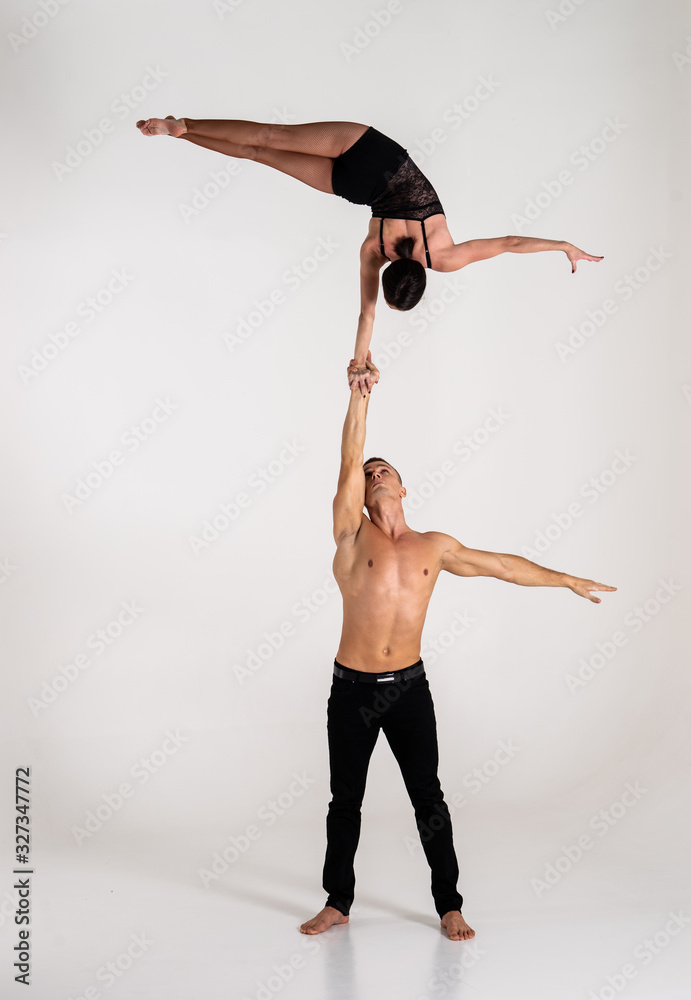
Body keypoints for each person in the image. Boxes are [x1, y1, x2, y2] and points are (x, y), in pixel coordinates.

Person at [299, 355, 616, 939]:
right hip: (352, 689)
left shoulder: (434, 546)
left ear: (400, 485)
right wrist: (360, 395)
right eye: (367, 473)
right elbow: (349, 455)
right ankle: (337, 901)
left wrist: (565, 578)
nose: (373, 474)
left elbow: (503, 567)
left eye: (382, 470)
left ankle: (449, 903)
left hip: (409, 689)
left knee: (430, 799)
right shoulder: (350, 534)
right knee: (346, 800)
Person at [136, 117, 603, 392]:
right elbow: (366, 314)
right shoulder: (371, 250)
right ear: (389, 274)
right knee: (261, 156)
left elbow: (508, 244)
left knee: (272, 137)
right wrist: (358, 366)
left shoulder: (442, 255)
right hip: (359, 187)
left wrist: (562, 244)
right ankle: (182, 135)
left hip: (379, 156)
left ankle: (185, 124)